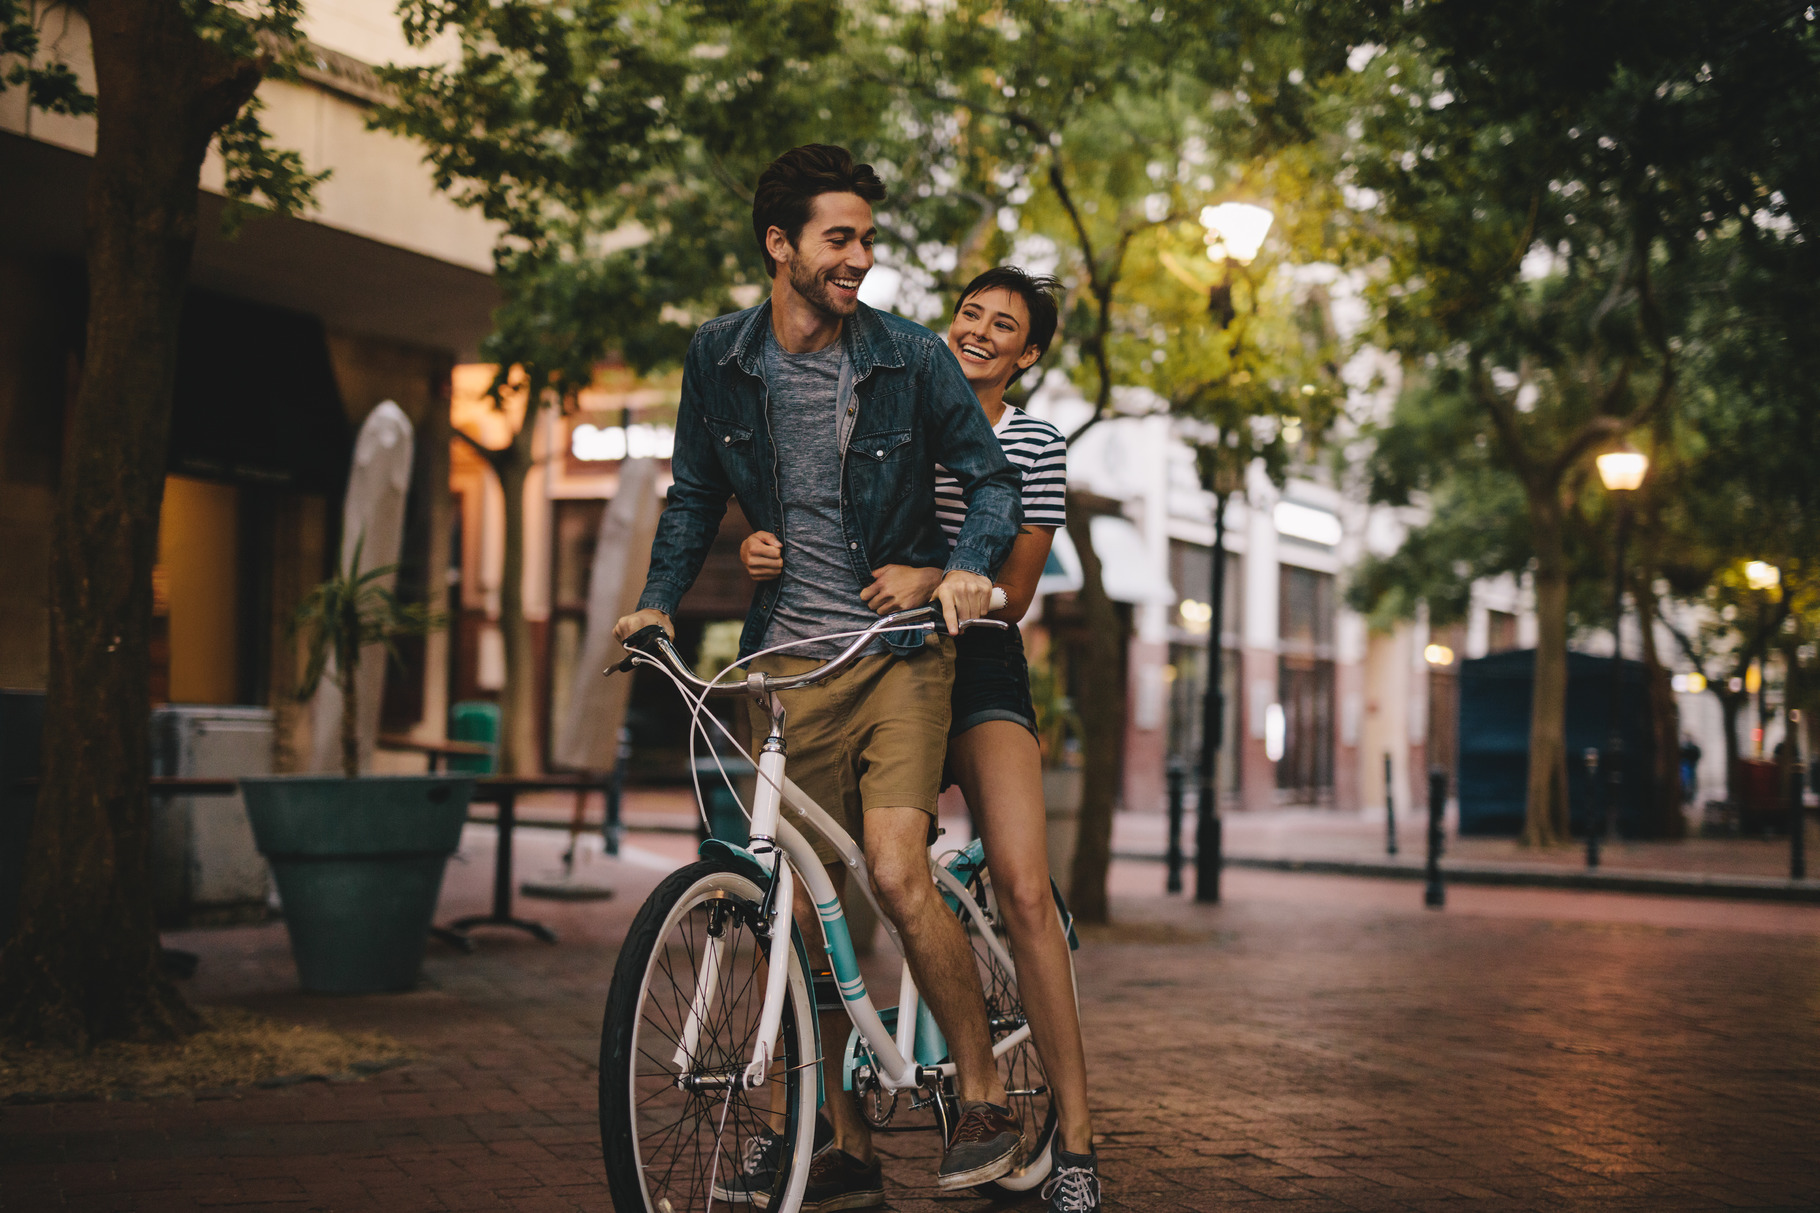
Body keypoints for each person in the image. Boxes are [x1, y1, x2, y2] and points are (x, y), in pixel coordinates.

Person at [613, 144, 1027, 1210]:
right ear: (779, 244)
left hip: (894, 654)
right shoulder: (719, 355)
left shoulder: (904, 357)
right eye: (839, 239)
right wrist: (661, 594)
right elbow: (695, 490)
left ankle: (982, 1094)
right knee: (796, 907)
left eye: (865, 240)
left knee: (892, 870)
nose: (860, 259)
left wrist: (963, 571)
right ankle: (841, 1143)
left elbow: (989, 480)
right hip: (784, 660)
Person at [742, 266, 1103, 1213]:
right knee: (827, 888)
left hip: (975, 658)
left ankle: (1074, 1139)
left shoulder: (1032, 439)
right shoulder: (896, 411)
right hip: (875, 656)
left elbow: (1015, 591)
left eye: (1005, 326)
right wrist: (770, 542)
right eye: (971, 314)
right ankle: (841, 1137)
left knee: (1024, 886)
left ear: (1027, 353)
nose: (980, 331)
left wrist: (937, 574)